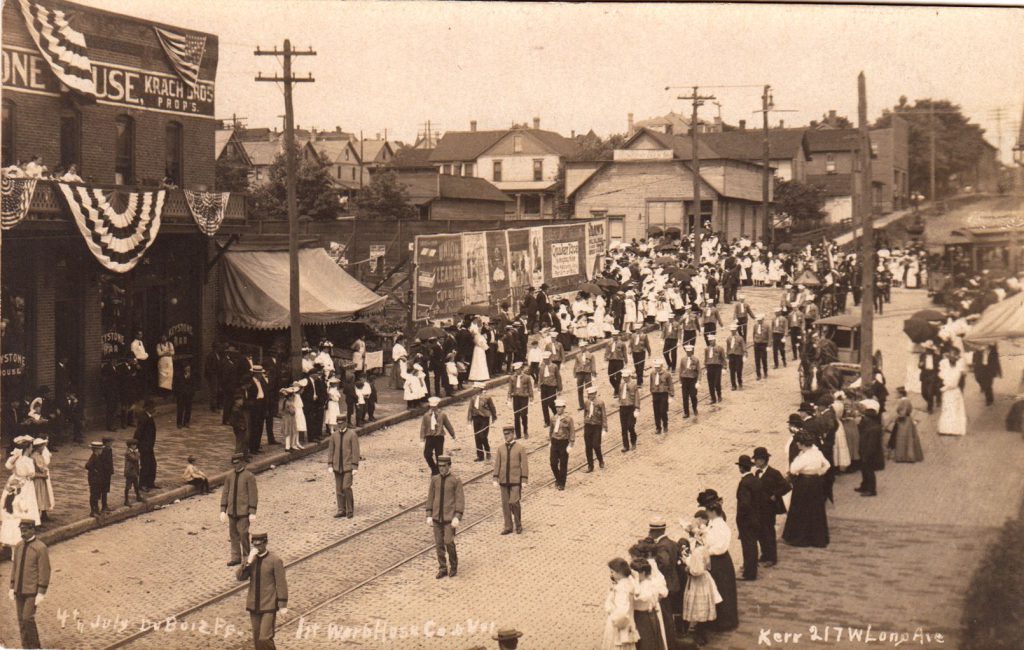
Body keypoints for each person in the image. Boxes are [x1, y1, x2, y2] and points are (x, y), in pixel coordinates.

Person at [237, 531, 288, 650]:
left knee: (265, 638)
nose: (257, 547)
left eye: (260, 544)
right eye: (255, 545)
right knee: (257, 639)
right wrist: (248, 562)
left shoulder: (275, 560)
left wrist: (283, 605)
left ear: (265, 543)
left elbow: (281, 583)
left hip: (269, 605)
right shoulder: (251, 560)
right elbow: (240, 577)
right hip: (253, 605)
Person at [695, 491, 738, 631]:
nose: (706, 513)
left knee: (723, 590)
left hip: (720, 562)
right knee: (716, 589)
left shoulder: (721, 526)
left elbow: (721, 546)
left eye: (707, 511)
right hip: (714, 561)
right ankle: (716, 619)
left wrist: (706, 551)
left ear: (713, 511)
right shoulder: (713, 523)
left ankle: (725, 621)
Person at [782, 431, 830, 547]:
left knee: (800, 509)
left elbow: (793, 469)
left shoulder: (803, 457)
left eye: (798, 443)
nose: (797, 445)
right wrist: (818, 472)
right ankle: (817, 538)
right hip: (816, 482)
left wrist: (798, 458)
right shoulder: (817, 453)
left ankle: (800, 538)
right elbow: (827, 465)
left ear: (802, 443)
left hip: (803, 483)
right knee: (815, 509)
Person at [9, 519, 50, 649]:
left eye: (25, 530)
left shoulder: (40, 548)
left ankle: (35, 646)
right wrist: (12, 586)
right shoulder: (18, 546)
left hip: (32, 591)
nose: (22, 533)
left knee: (27, 618)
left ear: (33, 529)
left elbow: (44, 570)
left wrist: (41, 592)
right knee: (21, 621)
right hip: (19, 589)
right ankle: (25, 647)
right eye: (21, 530)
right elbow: (15, 567)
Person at [678, 532, 720, 647]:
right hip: (705, 580)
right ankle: (701, 631)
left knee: (697, 606)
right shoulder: (704, 549)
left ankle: (699, 634)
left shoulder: (697, 552)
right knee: (702, 606)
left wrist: (687, 568)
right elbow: (706, 566)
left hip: (698, 582)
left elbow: (696, 571)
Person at [426, 456, 464, 578]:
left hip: (449, 519)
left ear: (449, 466)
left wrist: (457, 516)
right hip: (437, 518)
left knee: (448, 542)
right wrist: (429, 514)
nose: (441, 468)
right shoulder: (435, 480)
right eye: (439, 466)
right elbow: (430, 497)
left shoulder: (455, 480)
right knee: (439, 544)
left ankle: (453, 565)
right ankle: (442, 568)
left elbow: (460, 500)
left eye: (443, 466)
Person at [649, 519, 682, 649]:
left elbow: (664, 563)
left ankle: (669, 643)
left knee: (665, 616)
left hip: (666, 585)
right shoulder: (671, 543)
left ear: (654, 531)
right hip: (673, 583)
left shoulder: (661, 546)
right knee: (669, 614)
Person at [220, 453, 258, 567]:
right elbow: (225, 493)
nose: (235, 466)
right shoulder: (229, 476)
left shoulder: (249, 476)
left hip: (243, 512)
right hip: (232, 511)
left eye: (237, 463)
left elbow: (253, 495)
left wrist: (252, 511)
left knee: (243, 534)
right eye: (234, 464)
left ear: (242, 462)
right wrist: (223, 509)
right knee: (233, 535)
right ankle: (235, 557)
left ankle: (246, 556)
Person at [752, 447, 788, 567]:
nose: (755, 462)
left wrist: (775, 495)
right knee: (761, 532)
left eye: (756, 460)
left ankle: (772, 557)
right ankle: (764, 555)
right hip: (759, 508)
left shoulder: (774, 473)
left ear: (762, 460)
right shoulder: (757, 473)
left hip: (769, 509)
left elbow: (786, 486)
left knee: (769, 532)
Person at [493, 426, 528, 534]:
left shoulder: (520, 448)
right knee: (505, 505)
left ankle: (518, 524)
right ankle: (508, 526)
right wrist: (495, 477)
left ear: (513, 434)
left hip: (515, 480)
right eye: (504, 434)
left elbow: (524, 465)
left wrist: (524, 479)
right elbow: (497, 464)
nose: (506, 436)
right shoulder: (500, 449)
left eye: (508, 434)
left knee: (514, 502)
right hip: (503, 480)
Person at [735, 454, 763, 581]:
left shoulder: (744, 483)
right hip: (756, 517)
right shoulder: (756, 480)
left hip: (747, 521)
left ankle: (749, 573)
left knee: (748, 547)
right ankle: (751, 569)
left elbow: (744, 504)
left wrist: (741, 519)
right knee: (752, 545)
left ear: (741, 468)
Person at [602, 557, 641, 650]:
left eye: (612, 572)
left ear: (619, 572)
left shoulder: (622, 588)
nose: (611, 574)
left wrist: (614, 617)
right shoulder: (629, 582)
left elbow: (622, 610)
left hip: (619, 625)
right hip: (627, 622)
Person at [632, 557, 668, 650]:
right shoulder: (640, 583)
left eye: (636, 573)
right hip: (639, 617)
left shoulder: (648, 584)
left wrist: (635, 581)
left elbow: (639, 597)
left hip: (644, 618)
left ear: (643, 573)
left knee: (647, 643)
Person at [327, 421, 360, 518]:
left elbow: (355, 451)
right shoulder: (334, 436)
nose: (339, 425)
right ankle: (341, 509)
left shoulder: (352, 435)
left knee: (346, 487)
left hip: (348, 466)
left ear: (345, 423)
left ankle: (350, 510)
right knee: (339, 489)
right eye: (338, 424)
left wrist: (355, 466)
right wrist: (330, 464)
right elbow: (331, 451)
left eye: (341, 423)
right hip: (337, 467)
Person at [420, 396, 456, 475]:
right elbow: (423, 427)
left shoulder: (442, 415)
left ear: (437, 405)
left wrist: (453, 434)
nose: (433, 408)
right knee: (427, 454)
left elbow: (448, 425)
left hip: (439, 437)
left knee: (439, 456)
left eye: (434, 406)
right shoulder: (426, 416)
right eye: (431, 406)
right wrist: (422, 439)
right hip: (429, 437)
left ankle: (438, 471)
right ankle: (434, 468)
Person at [856, 399, 884, 497]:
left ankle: (871, 490)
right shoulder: (868, 424)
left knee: (869, 471)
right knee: (864, 470)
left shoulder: (873, 428)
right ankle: (864, 485)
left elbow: (871, 444)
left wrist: (866, 454)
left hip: (868, 453)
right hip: (864, 450)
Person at [466, 382, 497, 462]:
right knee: (477, 437)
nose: (474, 389)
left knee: (482, 436)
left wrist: (494, 417)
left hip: (484, 418)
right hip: (476, 418)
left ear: (480, 388)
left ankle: (487, 451)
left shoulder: (487, 397)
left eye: (475, 387)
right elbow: (470, 409)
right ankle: (480, 456)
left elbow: (492, 407)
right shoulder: (473, 398)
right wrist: (469, 421)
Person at [891, 387, 923, 463]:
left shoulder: (904, 401)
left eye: (897, 393)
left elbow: (903, 413)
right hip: (907, 420)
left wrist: (897, 418)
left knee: (903, 438)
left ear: (901, 394)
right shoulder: (906, 400)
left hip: (904, 422)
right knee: (908, 438)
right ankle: (907, 456)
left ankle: (904, 456)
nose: (896, 394)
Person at [548, 399, 575, 490]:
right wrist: (550, 441)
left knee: (563, 464)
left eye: (560, 407)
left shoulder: (568, 419)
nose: (558, 409)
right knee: (553, 463)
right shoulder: (553, 418)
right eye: (557, 407)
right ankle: (558, 478)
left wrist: (571, 444)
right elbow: (551, 430)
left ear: (564, 408)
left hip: (564, 442)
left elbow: (572, 431)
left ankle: (562, 483)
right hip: (554, 442)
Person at [583, 386, 608, 472]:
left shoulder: (600, 403)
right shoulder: (586, 402)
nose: (591, 396)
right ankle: (590, 466)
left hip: (597, 426)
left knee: (596, 445)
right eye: (589, 394)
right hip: (588, 425)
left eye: (593, 394)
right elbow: (585, 412)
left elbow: (604, 415)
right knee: (588, 446)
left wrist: (604, 427)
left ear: (595, 394)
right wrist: (585, 421)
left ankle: (600, 460)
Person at [135, 399, 158, 490]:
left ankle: (150, 483)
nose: (154, 409)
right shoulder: (144, 418)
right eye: (153, 407)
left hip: (149, 446)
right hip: (144, 446)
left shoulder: (148, 416)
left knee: (152, 464)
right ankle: (142, 484)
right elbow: (138, 432)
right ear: (148, 408)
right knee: (145, 465)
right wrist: (136, 445)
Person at [507, 362, 534, 440]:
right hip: (516, 398)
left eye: (518, 369)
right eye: (515, 370)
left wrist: (531, 398)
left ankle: (525, 431)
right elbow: (510, 389)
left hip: (524, 398)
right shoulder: (512, 378)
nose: (517, 371)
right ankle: (518, 434)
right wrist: (509, 399)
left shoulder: (527, 377)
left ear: (521, 369)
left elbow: (530, 388)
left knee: (524, 415)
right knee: (516, 416)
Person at [29, 439, 53, 523]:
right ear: (38, 447)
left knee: (43, 496)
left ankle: (44, 514)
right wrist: (44, 473)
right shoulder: (34, 456)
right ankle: (37, 517)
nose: (44, 448)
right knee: (38, 496)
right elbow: (40, 468)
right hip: (37, 480)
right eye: (42, 446)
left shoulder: (39, 455)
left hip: (42, 479)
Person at [618, 367, 640, 452]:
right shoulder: (621, 385)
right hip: (623, 407)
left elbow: (637, 397)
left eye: (626, 377)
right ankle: (625, 446)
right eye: (623, 377)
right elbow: (620, 395)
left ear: (629, 376)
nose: (624, 379)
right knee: (623, 428)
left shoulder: (633, 385)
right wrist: (620, 403)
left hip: (631, 407)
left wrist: (637, 408)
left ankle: (633, 441)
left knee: (631, 426)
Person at [538, 351, 561, 427]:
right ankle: (547, 421)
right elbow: (540, 377)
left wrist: (559, 389)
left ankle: (557, 415)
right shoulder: (541, 366)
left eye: (547, 359)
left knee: (551, 403)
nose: (545, 361)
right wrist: (539, 388)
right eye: (544, 359)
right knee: (544, 405)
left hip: (552, 387)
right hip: (544, 386)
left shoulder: (554, 366)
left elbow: (558, 377)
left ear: (550, 358)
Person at [678, 344, 700, 419]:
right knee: (685, 397)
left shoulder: (696, 360)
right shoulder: (683, 359)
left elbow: (699, 371)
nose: (688, 353)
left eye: (690, 352)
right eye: (687, 352)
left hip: (692, 380)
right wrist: (680, 381)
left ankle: (694, 408)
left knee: (693, 395)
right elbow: (680, 370)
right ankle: (686, 412)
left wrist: (698, 381)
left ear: (692, 351)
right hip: (684, 379)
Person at [85, 441, 105, 517]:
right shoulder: (93, 457)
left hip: (98, 479)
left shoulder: (97, 457)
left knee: (97, 495)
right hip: (94, 479)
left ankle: (96, 509)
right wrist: (95, 471)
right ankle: (93, 511)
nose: (101, 450)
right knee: (94, 495)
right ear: (96, 450)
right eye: (100, 449)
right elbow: (87, 466)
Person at [704, 334, 725, 405]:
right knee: (710, 384)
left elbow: (723, 358)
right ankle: (713, 398)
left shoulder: (720, 348)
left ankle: (719, 395)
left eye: (712, 341)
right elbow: (706, 359)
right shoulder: (707, 349)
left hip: (717, 367)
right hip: (710, 367)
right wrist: (706, 368)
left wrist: (724, 367)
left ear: (715, 340)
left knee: (717, 382)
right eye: (709, 341)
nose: (711, 342)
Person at [174, 363, 196, 428]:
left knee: (188, 409)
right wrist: (177, 394)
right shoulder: (179, 375)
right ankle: (179, 423)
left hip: (189, 395)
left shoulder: (192, 376)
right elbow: (176, 385)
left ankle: (186, 422)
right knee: (180, 409)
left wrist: (192, 392)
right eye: (186, 367)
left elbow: (193, 385)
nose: (188, 369)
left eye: (189, 367)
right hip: (181, 395)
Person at [123, 440, 143, 506]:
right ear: (130, 445)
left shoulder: (133, 452)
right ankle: (126, 500)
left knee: (136, 485)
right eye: (134, 445)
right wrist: (137, 453)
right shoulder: (128, 453)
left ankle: (138, 496)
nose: (135, 446)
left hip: (135, 472)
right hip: (130, 472)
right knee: (128, 486)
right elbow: (135, 459)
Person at [751, 314, 769, 380]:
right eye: (758, 320)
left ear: (763, 320)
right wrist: (754, 341)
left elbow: (769, 335)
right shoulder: (755, 326)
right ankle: (758, 374)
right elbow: (754, 334)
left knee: (764, 359)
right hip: (757, 344)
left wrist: (769, 345)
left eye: (760, 320)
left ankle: (765, 372)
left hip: (763, 344)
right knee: (757, 360)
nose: (759, 321)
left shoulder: (766, 326)